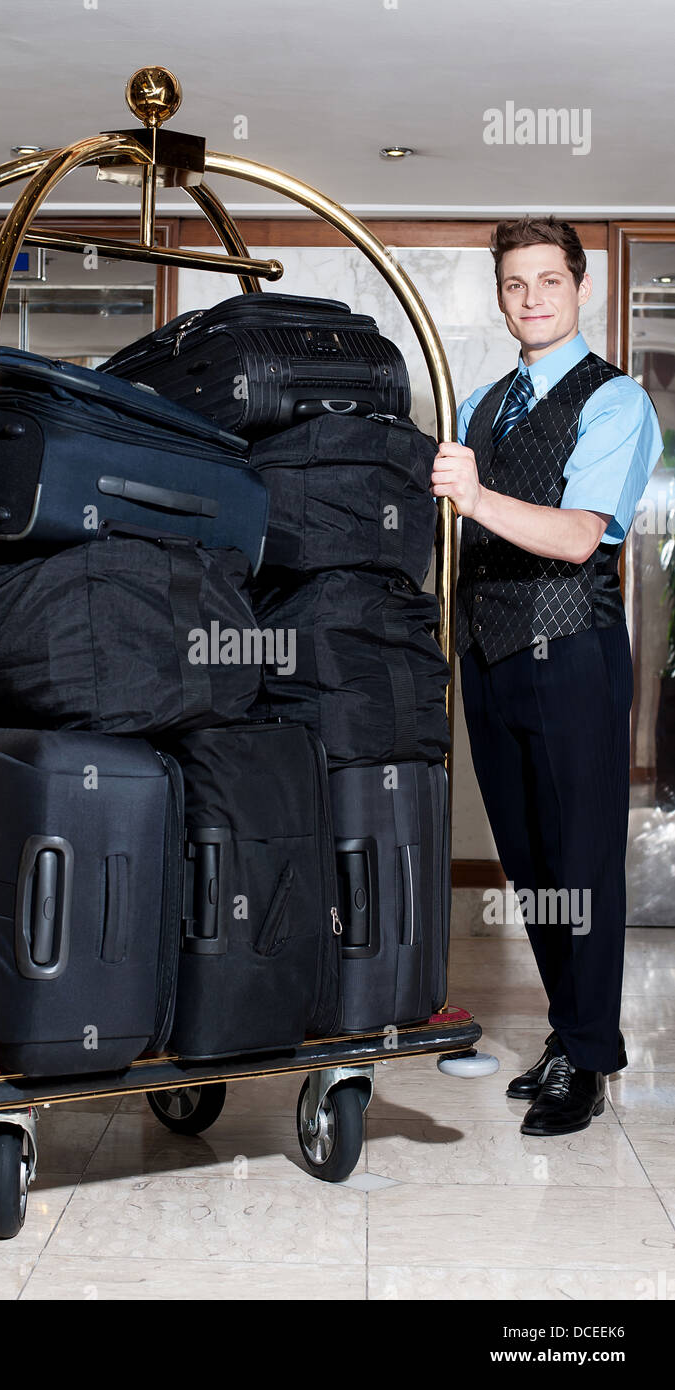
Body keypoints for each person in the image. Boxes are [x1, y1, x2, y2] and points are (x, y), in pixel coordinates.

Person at [432, 215, 662, 1136]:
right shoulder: (482, 406)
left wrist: (475, 493)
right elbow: (460, 531)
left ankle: (590, 1057)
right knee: (532, 865)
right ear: (500, 294)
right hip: (490, 658)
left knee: (583, 863)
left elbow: (574, 537)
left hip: (572, 657)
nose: (530, 299)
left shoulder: (615, 402)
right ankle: (569, 1037)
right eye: (514, 284)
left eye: (548, 282)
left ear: (580, 289)